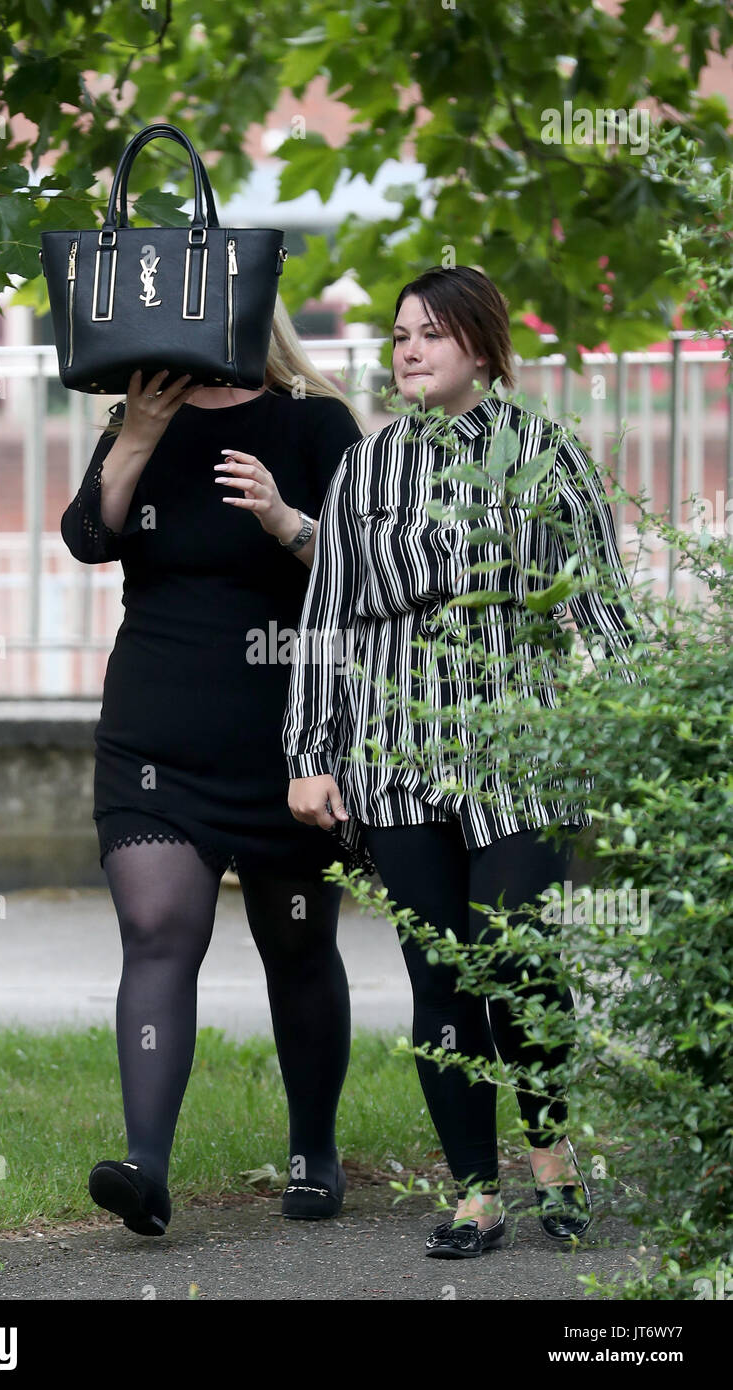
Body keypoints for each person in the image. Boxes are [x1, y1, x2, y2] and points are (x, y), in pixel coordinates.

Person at [284, 265, 642, 1258]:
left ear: (480, 348)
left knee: (518, 964)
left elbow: (602, 606)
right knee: (440, 978)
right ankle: (476, 1191)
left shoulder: (546, 454)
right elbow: (327, 623)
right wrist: (312, 754)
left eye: (431, 334)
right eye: (400, 333)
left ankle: (552, 1150)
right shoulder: (365, 469)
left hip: (521, 755)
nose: (408, 350)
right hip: (395, 763)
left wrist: (647, 724)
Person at [59, 296, 367, 1235]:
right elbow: (87, 538)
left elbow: (362, 567)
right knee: (157, 932)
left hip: (287, 738)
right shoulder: (136, 421)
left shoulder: (314, 423)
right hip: (156, 737)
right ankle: (144, 1166)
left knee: (297, 943)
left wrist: (281, 518)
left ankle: (313, 1152)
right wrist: (139, 432)